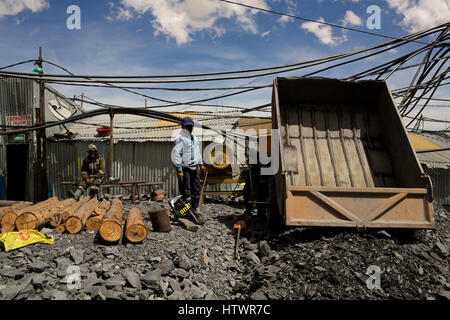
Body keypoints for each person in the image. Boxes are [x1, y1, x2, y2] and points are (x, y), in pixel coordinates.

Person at [171, 117, 206, 225]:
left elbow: (197, 152)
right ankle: (185, 211)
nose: (189, 128)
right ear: (182, 127)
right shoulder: (180, 139)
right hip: (185, 168)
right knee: (186, 191)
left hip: (194, 168)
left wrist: (201, 164)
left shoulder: (194, 138)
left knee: (196, 189)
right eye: (187, 126)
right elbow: (176, 154)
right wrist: (179, 169)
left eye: (190, 126)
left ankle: (194, 209)